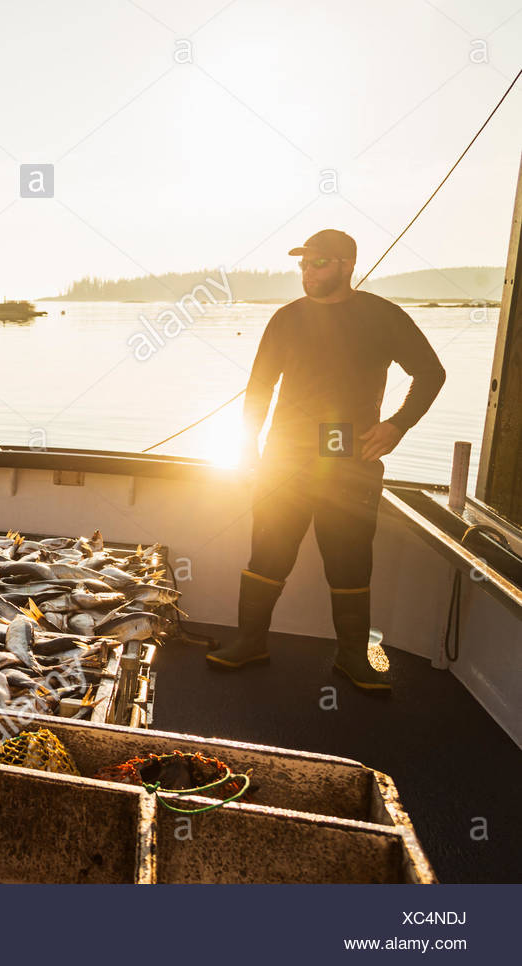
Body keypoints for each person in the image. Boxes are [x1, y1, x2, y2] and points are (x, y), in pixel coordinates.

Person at [206, 229, 446, 692]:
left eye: (318, 263)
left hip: (346, 454)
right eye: (303, 264)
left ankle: (353, 658)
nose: (307, 271)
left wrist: (398, 425)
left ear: (345, 264)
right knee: (269, 552)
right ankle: (251, 642)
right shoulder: (286, 319)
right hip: (285, 452)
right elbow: (259, 387)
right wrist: (245, 445)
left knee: (350, 559)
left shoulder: (382, 316)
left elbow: (431, 373)